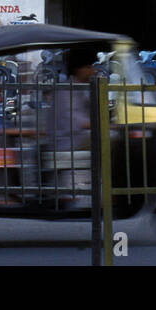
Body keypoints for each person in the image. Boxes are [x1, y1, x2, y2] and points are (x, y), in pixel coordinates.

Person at [53, 46, 97, 208]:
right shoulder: (67, 90)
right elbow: (76, 121)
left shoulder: (79, 87)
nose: (92, 71)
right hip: (69, 139)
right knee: (111, 140)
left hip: (77, 136)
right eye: (88, 67)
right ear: (78, 69)